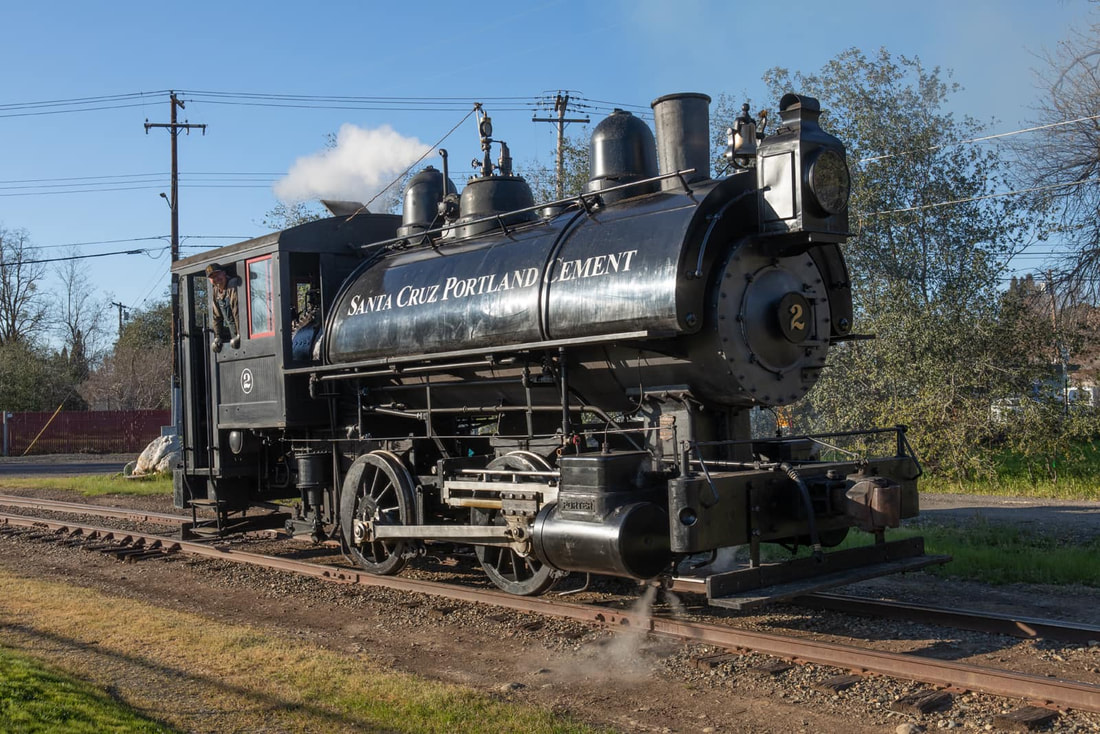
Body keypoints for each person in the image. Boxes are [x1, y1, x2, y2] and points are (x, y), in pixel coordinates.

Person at [205, 263, 242, 353]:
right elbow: (216, 316)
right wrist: (218, 337)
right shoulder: (215, 291)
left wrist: (240, 335)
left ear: (224, 273)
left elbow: (237, 311)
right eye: (212, 277)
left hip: (244, 332)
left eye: (218, 275)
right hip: (234, 334)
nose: (216, 279)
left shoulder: (232, 285)